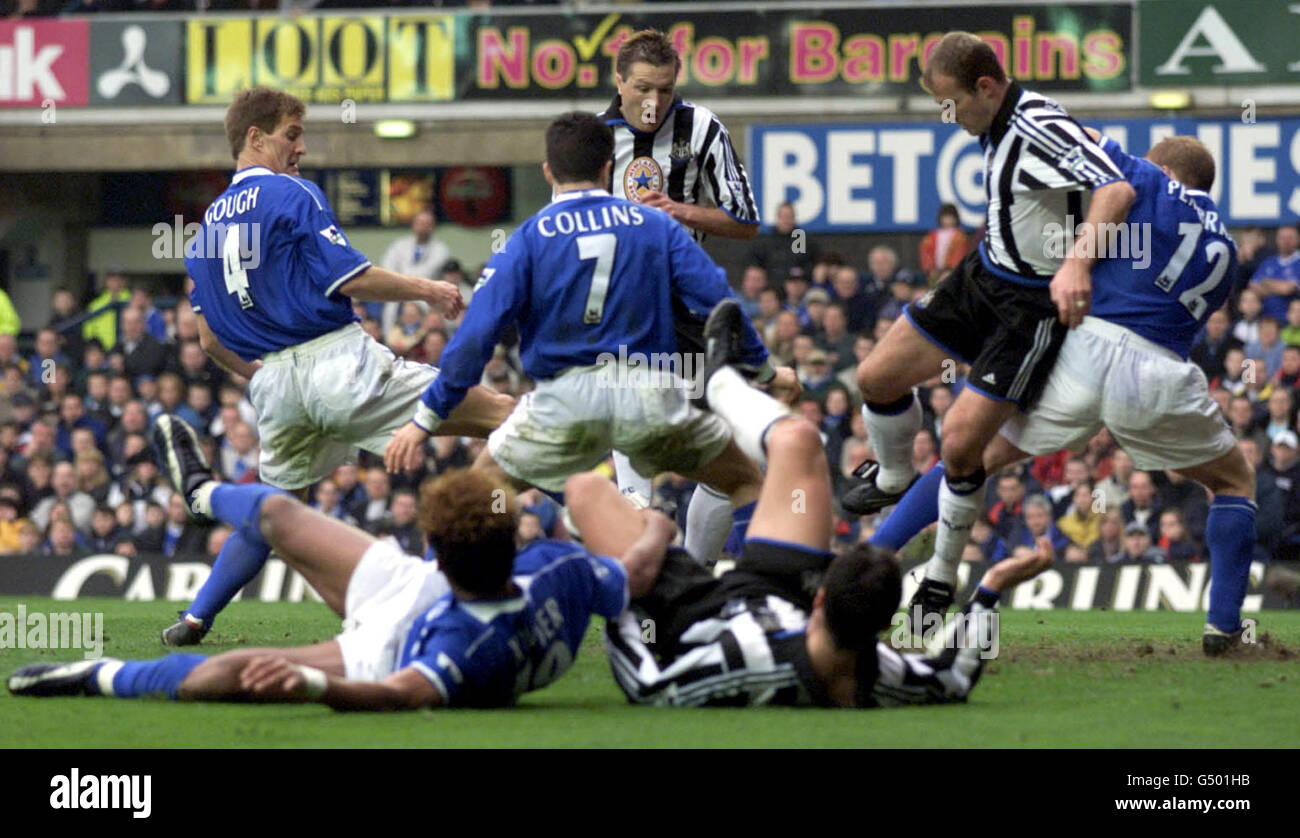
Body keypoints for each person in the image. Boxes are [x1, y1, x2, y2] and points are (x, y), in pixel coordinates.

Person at [864, 132, 1257, 655]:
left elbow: (1079, 139)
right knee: (1234, 480)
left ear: (1163, 165)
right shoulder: (1226, 250)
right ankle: (1224, 628)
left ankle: (872, 556)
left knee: (972, 457)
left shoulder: (1143, 177)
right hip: (1160, 371)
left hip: (1087, 351)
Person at [8, 414, 676, 710]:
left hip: (390, 645)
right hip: (427, 590)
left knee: (232, 673)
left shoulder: (462, 647)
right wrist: (656, 524)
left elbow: (394, 694)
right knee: (276, 515)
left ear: (437, 550)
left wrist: (317, 685)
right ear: (519, 542)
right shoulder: (560, 570)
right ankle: (201, 493)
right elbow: (638, 569)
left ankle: (99, 673)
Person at [168, 86, 514, 645]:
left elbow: (208, 340)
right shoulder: (291, 194)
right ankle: (462, 561)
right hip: (338, 364)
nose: (301, 148)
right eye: (292, 135)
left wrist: (264, 379)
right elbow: (348, 278)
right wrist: (426, 289)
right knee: (506, 415)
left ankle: (194, 618)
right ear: (255, 138)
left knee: (275, 512)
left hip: (275, 385)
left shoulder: (203, 228)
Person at [587, 299, 1052, 707]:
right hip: (786, 591)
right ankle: (721, 386)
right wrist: (990, 587)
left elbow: (648, 687)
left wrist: (624, 592)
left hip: (701, 610)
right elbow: (954, 674)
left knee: (586, 492)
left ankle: (721, 388)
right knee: (795, 443)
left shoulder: (745, 663)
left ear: (824, 596)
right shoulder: (883, 675)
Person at [842, 32, 1135, 623]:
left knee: (958, 445)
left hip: (1030, 309)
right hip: (981, 276)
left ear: (985, 87)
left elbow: (1116, 188)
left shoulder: (1035, 125)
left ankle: (942, 576)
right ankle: (895, 475)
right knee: (874, 378)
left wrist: (1078, 260)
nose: (945, 116)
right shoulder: (998, 124)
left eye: (949, 102)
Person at [385, 112, 780, 551]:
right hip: (650, 396)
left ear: (548, 170)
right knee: (746, 481)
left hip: (564, 402)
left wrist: (426, 419)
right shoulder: (657, 226)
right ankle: (761, 599)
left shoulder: (527, 239)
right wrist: (763, 372)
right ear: (609, 167)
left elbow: (475, 338)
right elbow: (720, 302)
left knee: (483, 497)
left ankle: (468, 598)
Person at [599, 28, 765, 566]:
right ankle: (635, 578)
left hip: (690, 305)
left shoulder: (703, 128)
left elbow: (746, 220)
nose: (653, 104)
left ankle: (691, 572)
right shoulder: (595, 141)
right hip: (621, 304)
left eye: (665, 91)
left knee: (735, 448)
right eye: (643, 88)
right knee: (633, 423)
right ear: (618, 79)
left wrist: (681, 212)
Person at [377, 208, 450, 335]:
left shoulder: (441, 249)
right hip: (397, 299)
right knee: (391, 334)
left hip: (425, 300)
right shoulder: (398, 245)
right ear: (413, 224)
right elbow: (386, 269)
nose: (423, 227)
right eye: (420, 223)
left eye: (427, 224)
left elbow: (427, 272)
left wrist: (402, 276)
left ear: (433, 227)